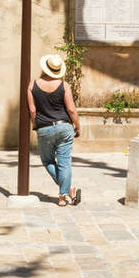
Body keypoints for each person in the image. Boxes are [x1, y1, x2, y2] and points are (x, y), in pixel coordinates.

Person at [27, 52, 82, 206]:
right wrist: (78, 127)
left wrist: (35, 125)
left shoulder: (32, 85)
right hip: (64, 127)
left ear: (45, 68)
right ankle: (65, 194)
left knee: (47, 160)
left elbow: (32, 110)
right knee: (65, 162)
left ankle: (66, 191)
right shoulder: (64, 85)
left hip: (44, 128)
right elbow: (71, 110)